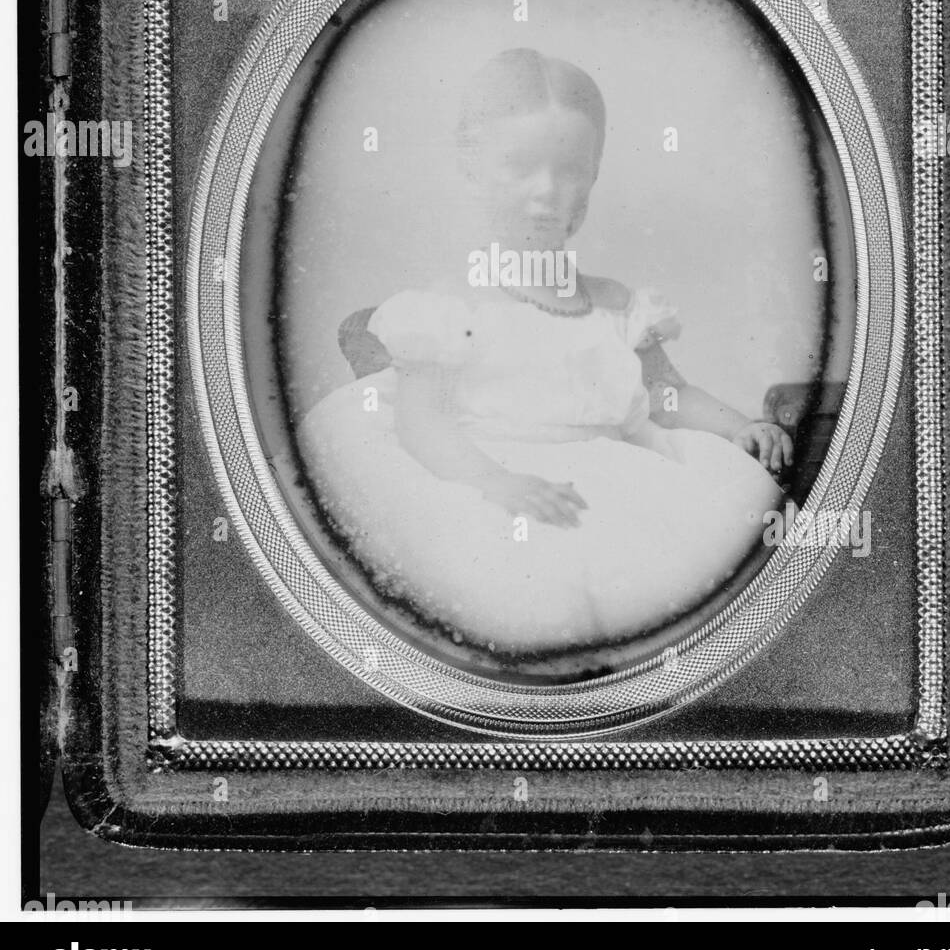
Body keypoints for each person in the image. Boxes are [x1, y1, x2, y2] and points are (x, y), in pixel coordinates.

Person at [298, 48, 790, 658]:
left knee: (716, 522)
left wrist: (744, 425)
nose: (547, 193)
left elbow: (670, 396)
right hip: (489, 477)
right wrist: (495, 482)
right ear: (472, 166)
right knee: (537, 579)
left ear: (595, 173)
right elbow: (421, 422)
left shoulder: (616, 305)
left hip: (616, 481)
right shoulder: (452, 307)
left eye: (570, 170)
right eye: (521, 167)